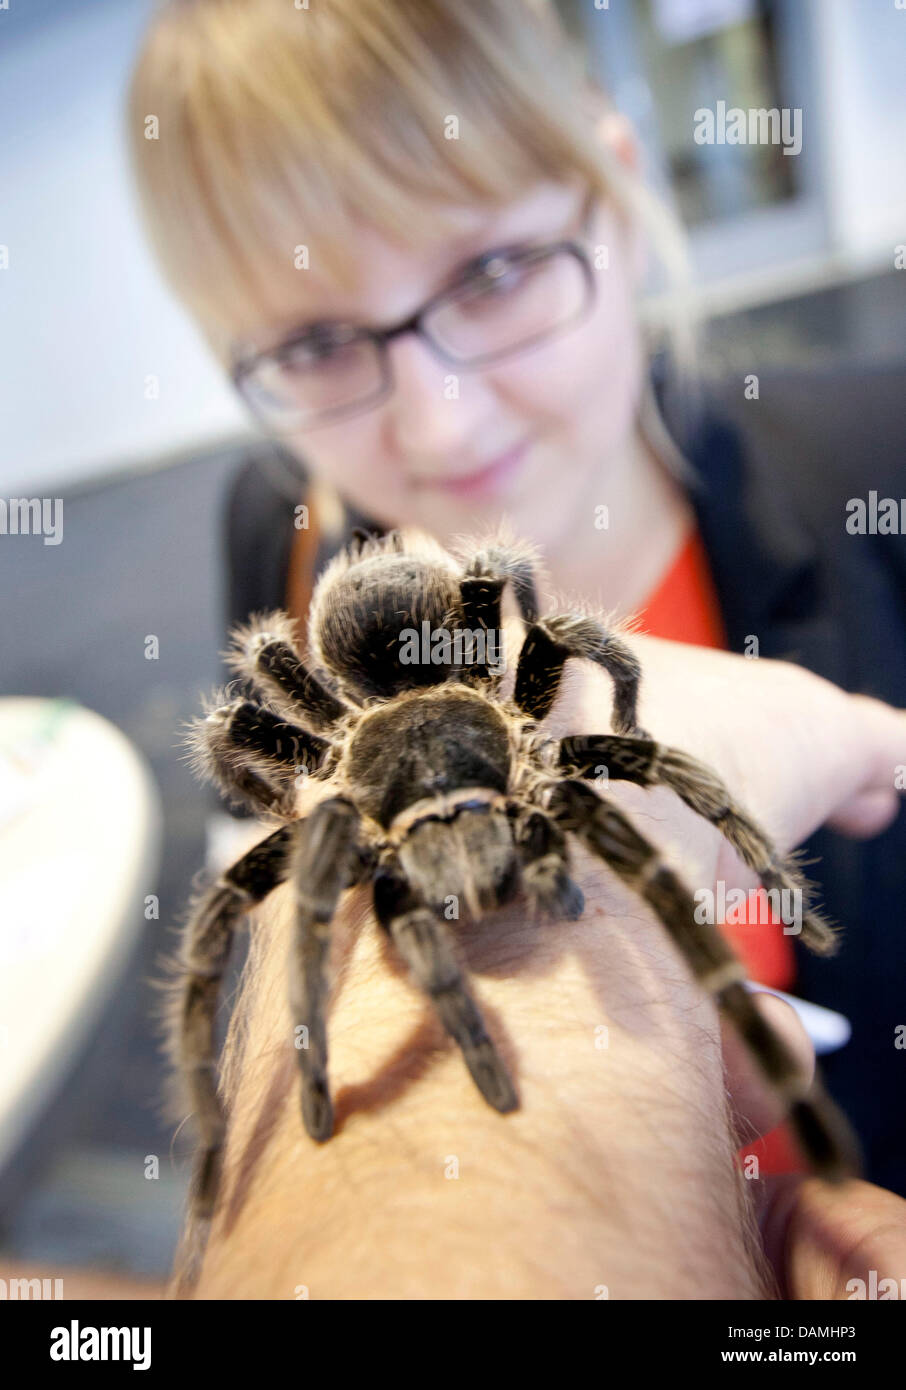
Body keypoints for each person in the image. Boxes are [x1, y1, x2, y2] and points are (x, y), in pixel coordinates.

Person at [127, 0, 906, 1293]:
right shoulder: (274, 522)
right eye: (316, 341)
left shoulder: (883, 460)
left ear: (614, 180)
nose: (435, 427)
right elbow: (249, 844)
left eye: (489, 271)